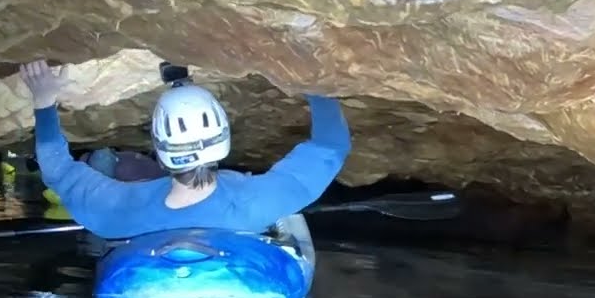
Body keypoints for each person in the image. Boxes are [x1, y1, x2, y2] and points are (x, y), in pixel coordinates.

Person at [18, 58, 352, 240]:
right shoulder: (257, 202)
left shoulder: (118, 209)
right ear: (223, 136)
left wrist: (44, 101)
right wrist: (311, 82)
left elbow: (56, 168)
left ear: (159, 148)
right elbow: (331, 145)